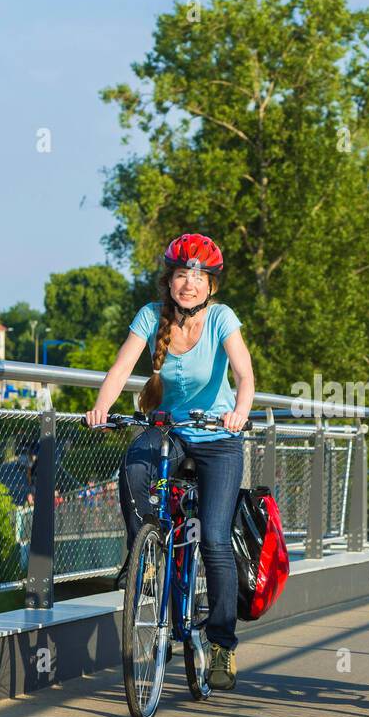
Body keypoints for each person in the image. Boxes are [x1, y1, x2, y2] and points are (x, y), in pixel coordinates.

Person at [85, 233, 255, 690]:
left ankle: (221, 645)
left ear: (211, 286)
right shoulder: (150, 316)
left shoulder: (222, 319)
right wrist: (101, 406)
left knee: (216, 537)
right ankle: (147, 551)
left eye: (199, 276)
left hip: (218, 436)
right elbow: (121, 368)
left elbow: (244, 374)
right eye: (182, 274)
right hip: (169, 429)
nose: (190, 283)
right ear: (170, 280)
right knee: (135, 466)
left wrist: (239, 412)